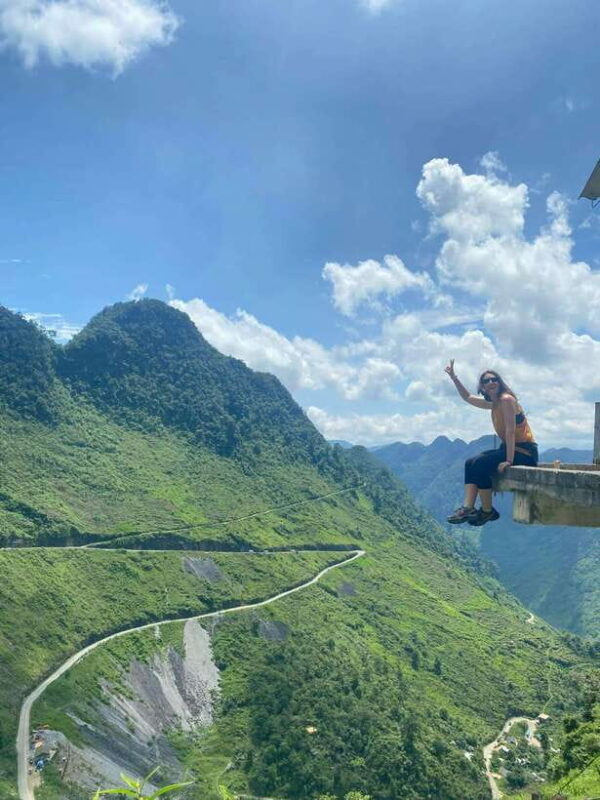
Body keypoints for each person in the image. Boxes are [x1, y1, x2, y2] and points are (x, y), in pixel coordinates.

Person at [444, 360, 538, 526]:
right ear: (483, 387)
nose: (491, 382)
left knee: (479, 463)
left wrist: (508, 461)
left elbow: (510, 431)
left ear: (499, 383)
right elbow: (467, 397)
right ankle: (468, 507)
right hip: (512, 449)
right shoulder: (494, 404)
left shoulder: (507, 400)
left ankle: (487, 511)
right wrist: (454, 377)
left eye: (494, 379)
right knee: (470, 462)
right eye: (486, 381)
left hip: (525, 452)